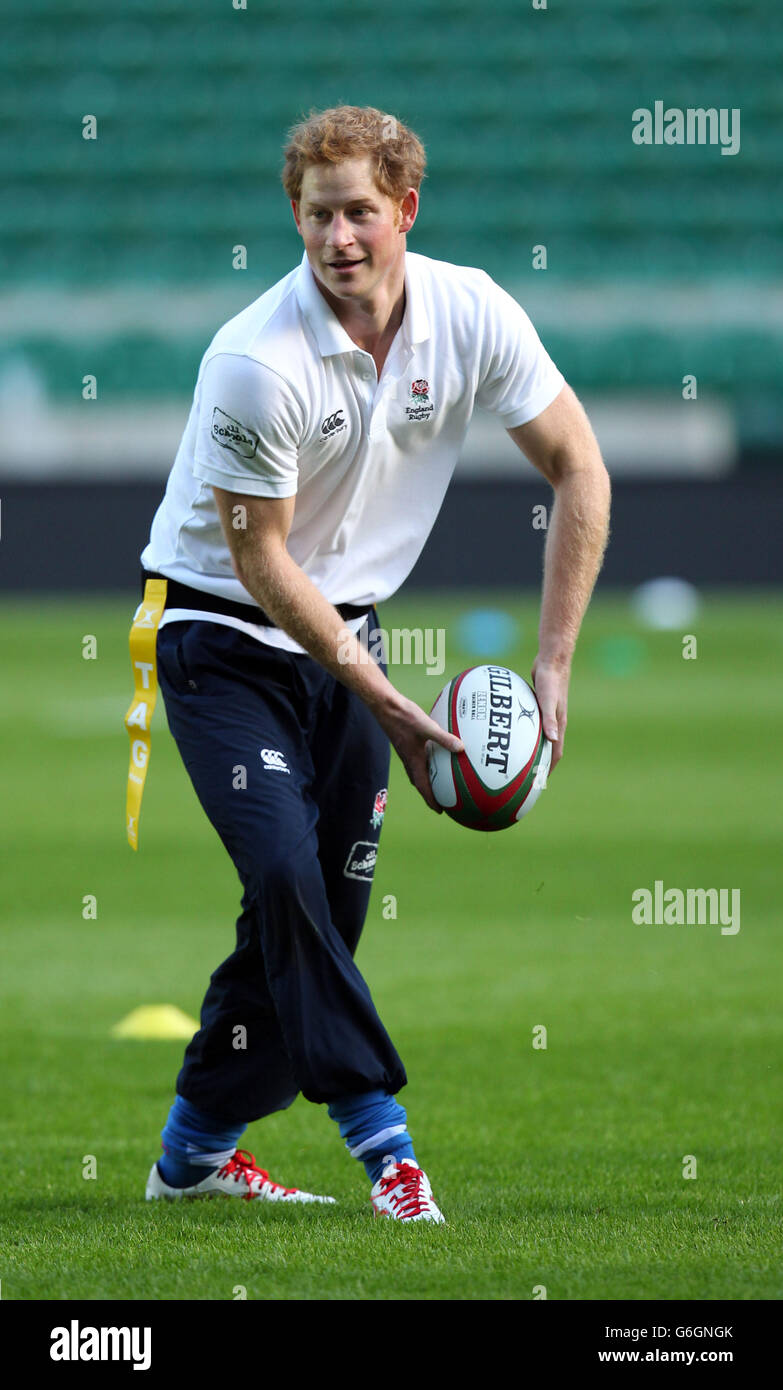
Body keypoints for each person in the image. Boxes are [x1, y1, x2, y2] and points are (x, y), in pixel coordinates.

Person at [132, 104, 611, 1223]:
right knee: (289, 879)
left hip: (348, 626)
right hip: (217, 634)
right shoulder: (256, 359)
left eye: (358, 212)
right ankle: (382, 1141)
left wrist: (553, 666)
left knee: (315, 917)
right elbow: (259, 561)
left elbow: (579, 468)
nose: (338, 236)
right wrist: (387, 698)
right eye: (315, 214)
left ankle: (192, 1155)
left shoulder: (473, 312)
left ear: (404, 209)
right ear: (293, 219)